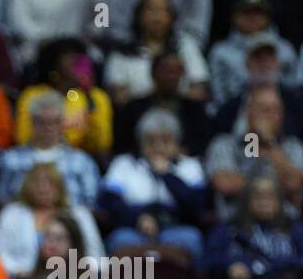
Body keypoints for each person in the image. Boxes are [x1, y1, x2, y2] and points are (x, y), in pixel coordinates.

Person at [100, 108, 208, 259]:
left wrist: (167, 175)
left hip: (176, 228)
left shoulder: (190, 166)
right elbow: (110, 203)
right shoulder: (123, 164)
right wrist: (138, 218)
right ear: (141, 142)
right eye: (150, 141)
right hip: (134, 229)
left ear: (176, 142)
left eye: (165, 140)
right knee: (119, 240)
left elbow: (196, 207)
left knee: (191, 239)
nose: (158, 147)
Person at [201, 172, 303, 279]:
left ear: (279, 201)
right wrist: (229, 267)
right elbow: (207, 261)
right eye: (258, 196)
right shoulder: (228, 229)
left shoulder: (295, 229)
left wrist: (282, 268)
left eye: (269, 195)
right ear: (246, 200)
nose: (264, 201)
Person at [0, 161, 104, 279]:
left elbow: (97, 257)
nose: (43, 188)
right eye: (37, 182)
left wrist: (74, 273)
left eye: (50, 182)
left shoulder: (79, 215)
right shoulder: (12, 214)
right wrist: (19, 271)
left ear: (60, 186)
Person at [205, 85, 303, 219]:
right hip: (235, 226)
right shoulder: (225, 143)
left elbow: (294, 183)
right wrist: (274, 185)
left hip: (284, 229)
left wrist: (270, 144)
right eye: (264, 109)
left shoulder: (292, 146)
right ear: (247, 112)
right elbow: (225, 184)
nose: (270, 115)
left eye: (276, 110)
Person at [104, 0, 209, 108]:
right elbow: (118, 97)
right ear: (138, 16)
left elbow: (199, 91)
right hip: (135, 117)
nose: (156, 16)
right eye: (151, 9)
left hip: (179, 114)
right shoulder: (121, 53)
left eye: (163, 10)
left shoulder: (185, 48)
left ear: (172, 17)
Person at [14, 38, 113, 160]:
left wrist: (89, 97)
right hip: (38, 158)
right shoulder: (33, 95)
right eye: (68, 55)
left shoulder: (96, 97)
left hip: (80, 162)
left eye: (78, 55)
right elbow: (22, 139)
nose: (75, 60)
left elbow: (101, 144)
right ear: (53, 62)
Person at [0, 90, 100, 207]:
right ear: (32, 122)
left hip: (68, 220)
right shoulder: (11, 159)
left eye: (53, 122)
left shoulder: (81, 161)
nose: (48, 128)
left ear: (62, 123)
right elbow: (1, 198)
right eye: (42, 122)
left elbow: (91, 203)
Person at [207, 0, 296, 108]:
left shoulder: (285, 50)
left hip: (279, 112)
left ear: (268, 16)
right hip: (233, 114)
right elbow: (218, 97)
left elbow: (293, 91)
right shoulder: (220, 52)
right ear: (234, 16)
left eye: (258, 11)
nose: (252, 17)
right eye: (246, 12)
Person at [114, 50, 212, 157]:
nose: (171, 77)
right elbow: (122, 146)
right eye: (166, 71)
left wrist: (179, 153)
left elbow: (202, 145)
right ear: (153, 73)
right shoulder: (133, 108)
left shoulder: (194, 109)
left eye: (176, 71)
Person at [7, 0, 107, 65]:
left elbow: (103, 8)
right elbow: (18, 21)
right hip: (37, 52)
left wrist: (93, 32)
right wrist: (45, 41)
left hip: (79, 49)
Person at [106, 0, 212, 48]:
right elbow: (116, 32)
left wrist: (166, 50)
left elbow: (196, 35)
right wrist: (141, 49)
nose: (156, 17)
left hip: (177, 55)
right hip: (132, 53)